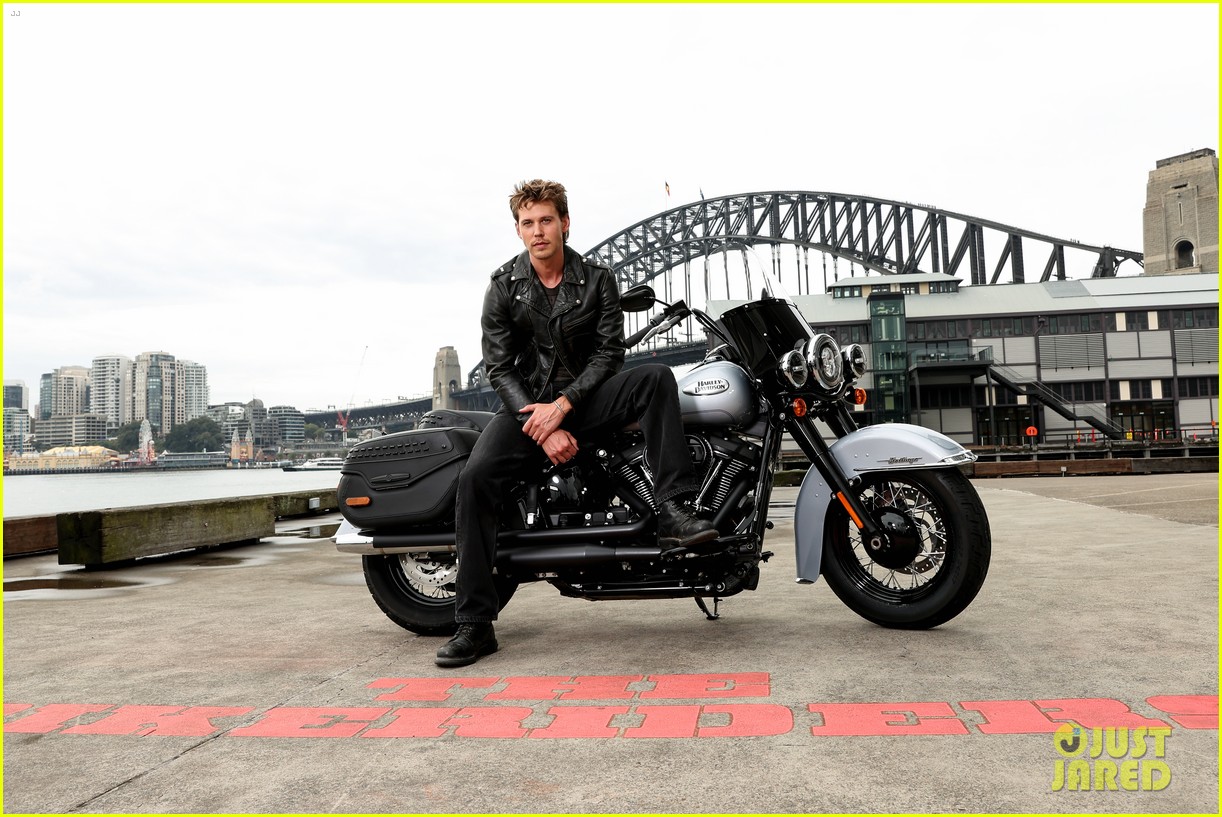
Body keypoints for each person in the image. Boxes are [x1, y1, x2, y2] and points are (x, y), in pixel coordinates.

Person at [436, 179, 717, 668]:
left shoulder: (597, 279)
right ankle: (475, 624)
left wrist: (562, 408)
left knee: (653, 378)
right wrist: (541, 422)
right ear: (519, 230)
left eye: (547, 220)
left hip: (584, 398)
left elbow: (610, 353)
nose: (538, 231)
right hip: (523, 407)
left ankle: (673, 510)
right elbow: (499, 368)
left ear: (564, 223)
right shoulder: (503, 286)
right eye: (528, 223)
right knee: (476, 481)